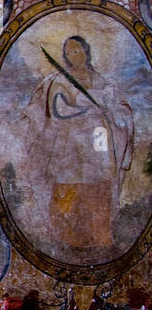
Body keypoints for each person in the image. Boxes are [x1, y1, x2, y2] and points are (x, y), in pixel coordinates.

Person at [28, 34, 134, 250]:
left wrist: (111, 108)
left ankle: (100, 239)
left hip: (98, 143)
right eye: (69, 52)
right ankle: (67, 241)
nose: (73, 55)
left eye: (77, 50)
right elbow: (58, 112)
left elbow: (117, 107)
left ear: (86, 51)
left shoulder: (102, 80)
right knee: (68, 188)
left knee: (99, 187)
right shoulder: (60, 81)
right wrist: (88, 105)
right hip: (71, 146)